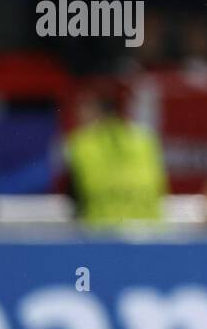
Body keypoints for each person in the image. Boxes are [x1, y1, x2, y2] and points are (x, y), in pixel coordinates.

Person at [64, 88, 167, 226]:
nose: (78, 117)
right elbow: (161, 189)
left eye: (82, 110)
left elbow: (75, 199)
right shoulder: (145, 140)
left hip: (101, 234)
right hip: (152, 233)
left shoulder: (80, 144)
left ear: (97, 112)